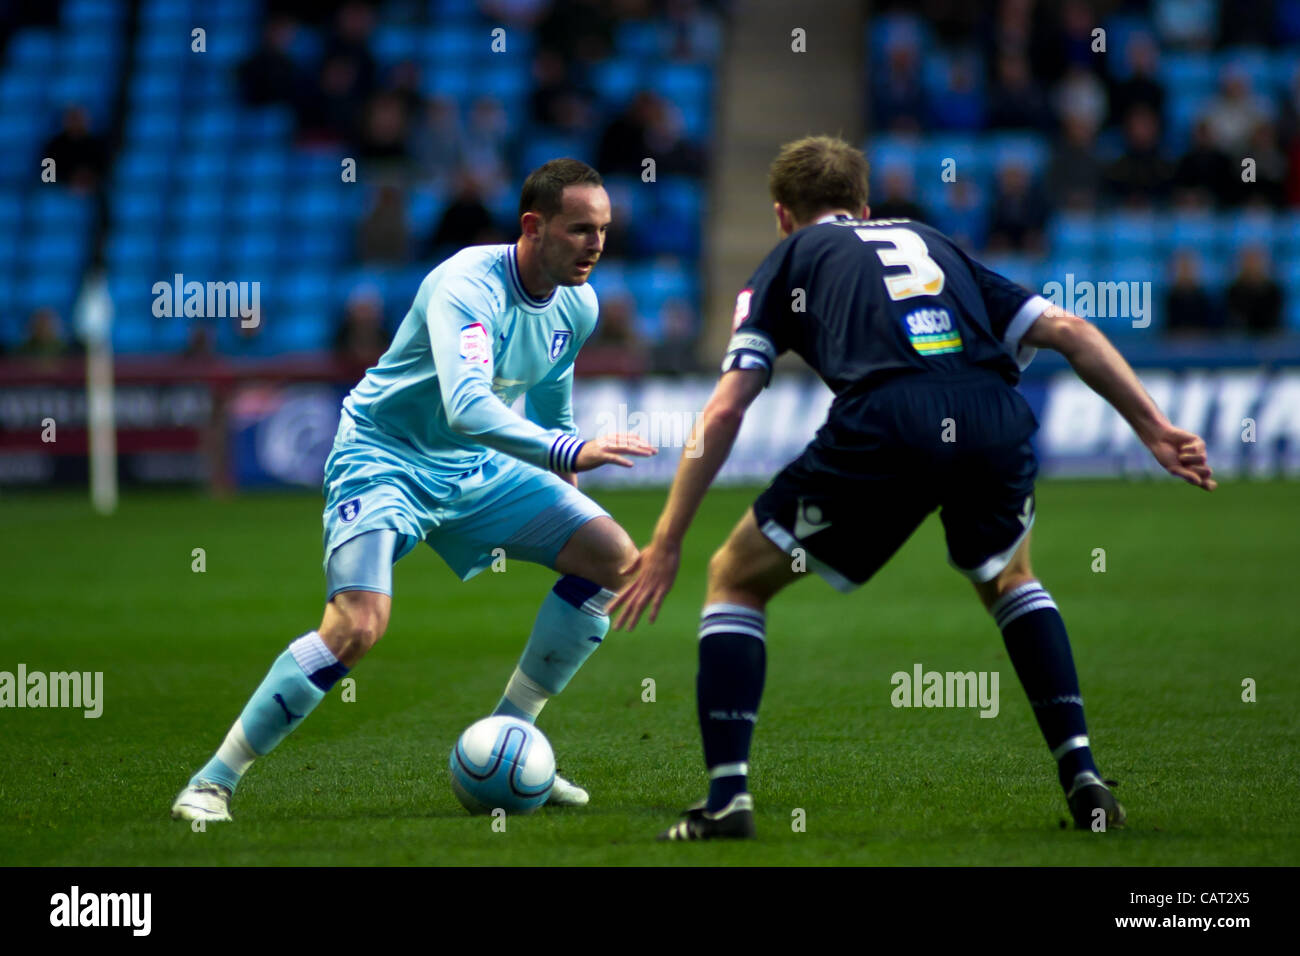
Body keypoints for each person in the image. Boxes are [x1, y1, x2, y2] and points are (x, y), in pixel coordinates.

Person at [610, 136, 1216, 840]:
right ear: (865, 207)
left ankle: (726, 801)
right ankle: (1081, 771)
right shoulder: (932, 241)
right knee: (1010, 578)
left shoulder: (787, 261)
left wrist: (667, 539)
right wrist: (1155, 428)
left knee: (735, 578)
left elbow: (725, 408)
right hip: (993, 412)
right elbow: (1071, 329)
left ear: (782, 214)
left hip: (888, 420)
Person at [172, 159, 655, 823]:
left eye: (603, 230)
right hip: (385, 458)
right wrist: (570, 450)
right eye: (579, 230)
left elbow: (550, 404)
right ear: (533, 227)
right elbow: (466, 405)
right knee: (357, 625)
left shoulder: (580, 302)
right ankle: (212, 781)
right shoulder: (466, 283)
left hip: (477, 470)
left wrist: (568, 483)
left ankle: (507, 741)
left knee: (614, 560)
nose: (596, 244)